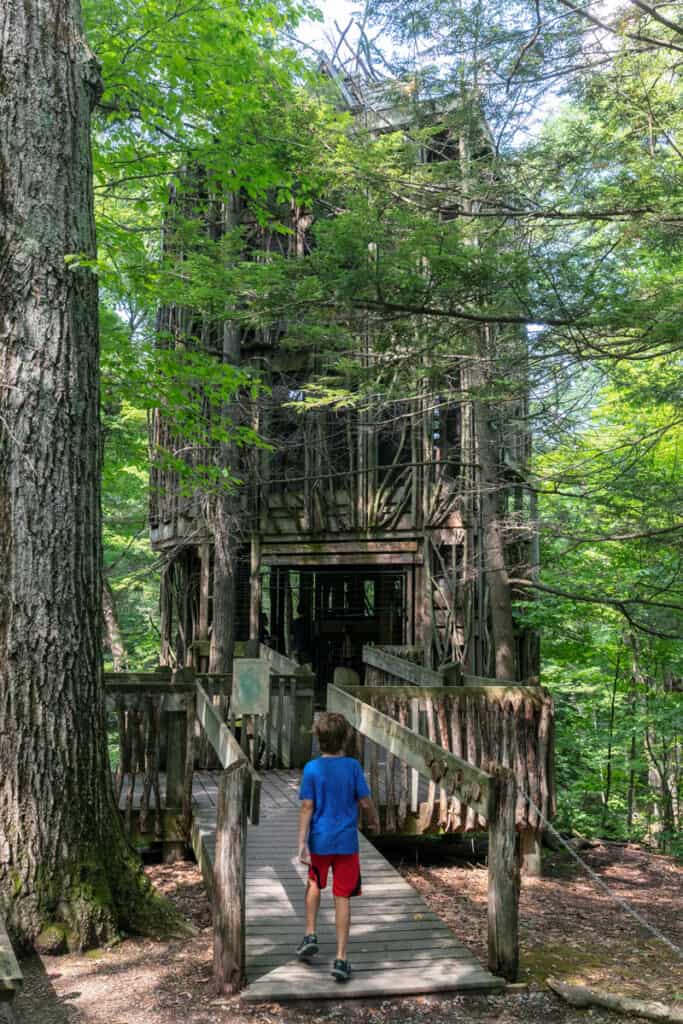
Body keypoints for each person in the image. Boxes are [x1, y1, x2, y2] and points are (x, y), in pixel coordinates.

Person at [296, 712, 380, 983]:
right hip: (346, 843)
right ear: (345, 739)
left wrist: (301, 843)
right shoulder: (353, 767)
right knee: (342, 896)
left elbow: (307, 806)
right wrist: (374, 821)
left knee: (314, 883)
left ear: (318, 739)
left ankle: (310, 933)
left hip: (319, 841)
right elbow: (365, 803)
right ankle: (341, 959)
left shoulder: (311, 769)